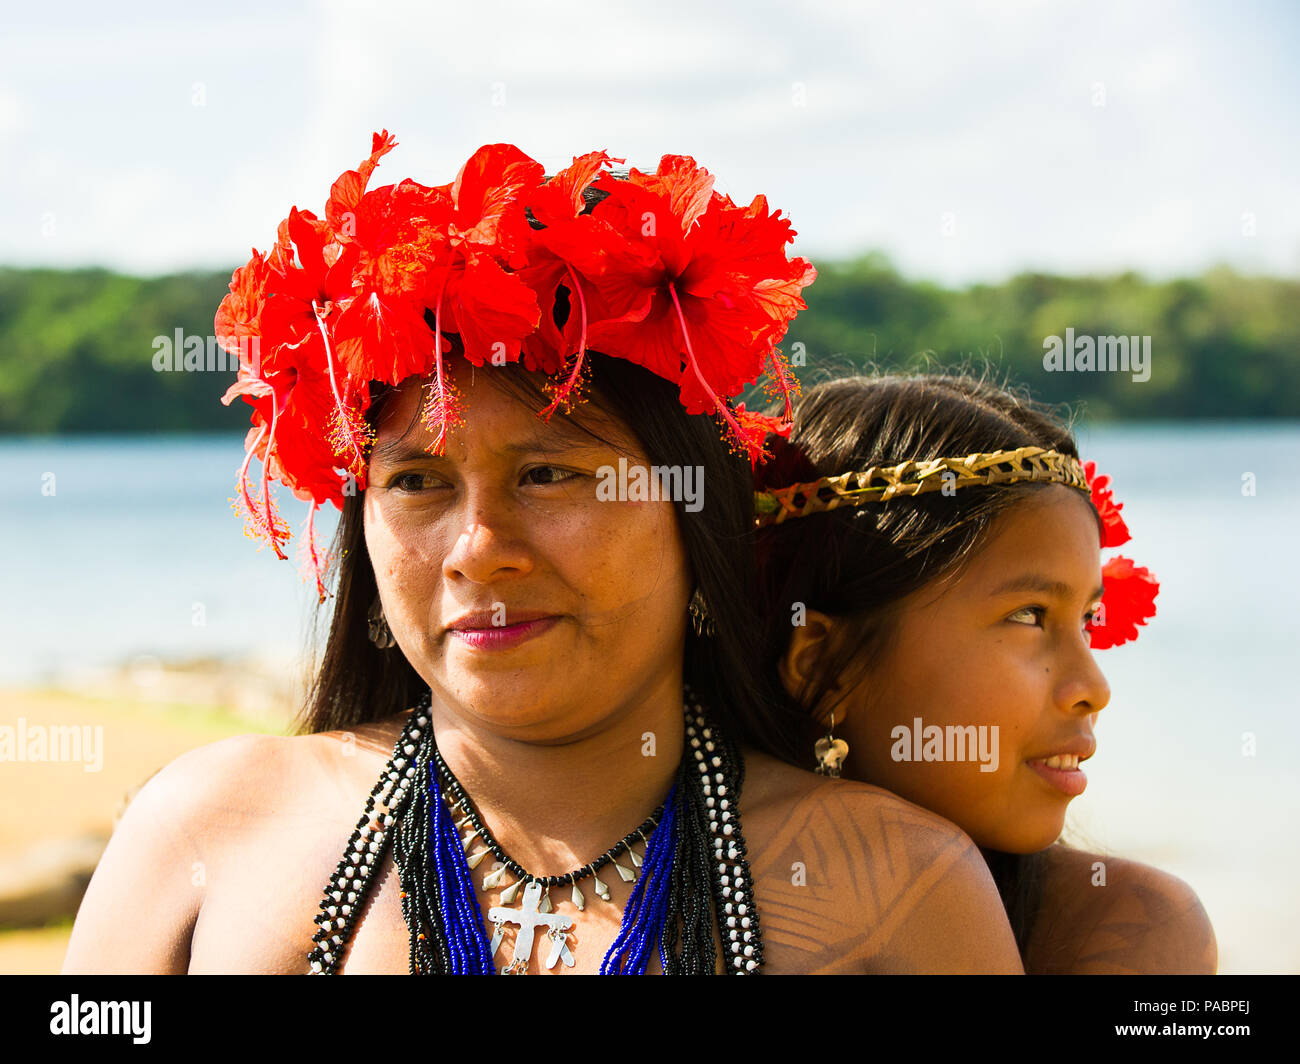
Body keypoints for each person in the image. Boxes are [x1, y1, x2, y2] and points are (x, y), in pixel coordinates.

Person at [62, 137, 1022, 974]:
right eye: (416, 483)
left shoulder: (900, 885)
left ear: (696, 511)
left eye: (552, 476)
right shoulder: (207, 831)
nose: (479, 551)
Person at [753, 371, 1217, 974]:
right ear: (820, 659)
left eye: (1088, 619)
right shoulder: (636, 910)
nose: (1095, 689)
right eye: (1029, 615)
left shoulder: (1133, 931)